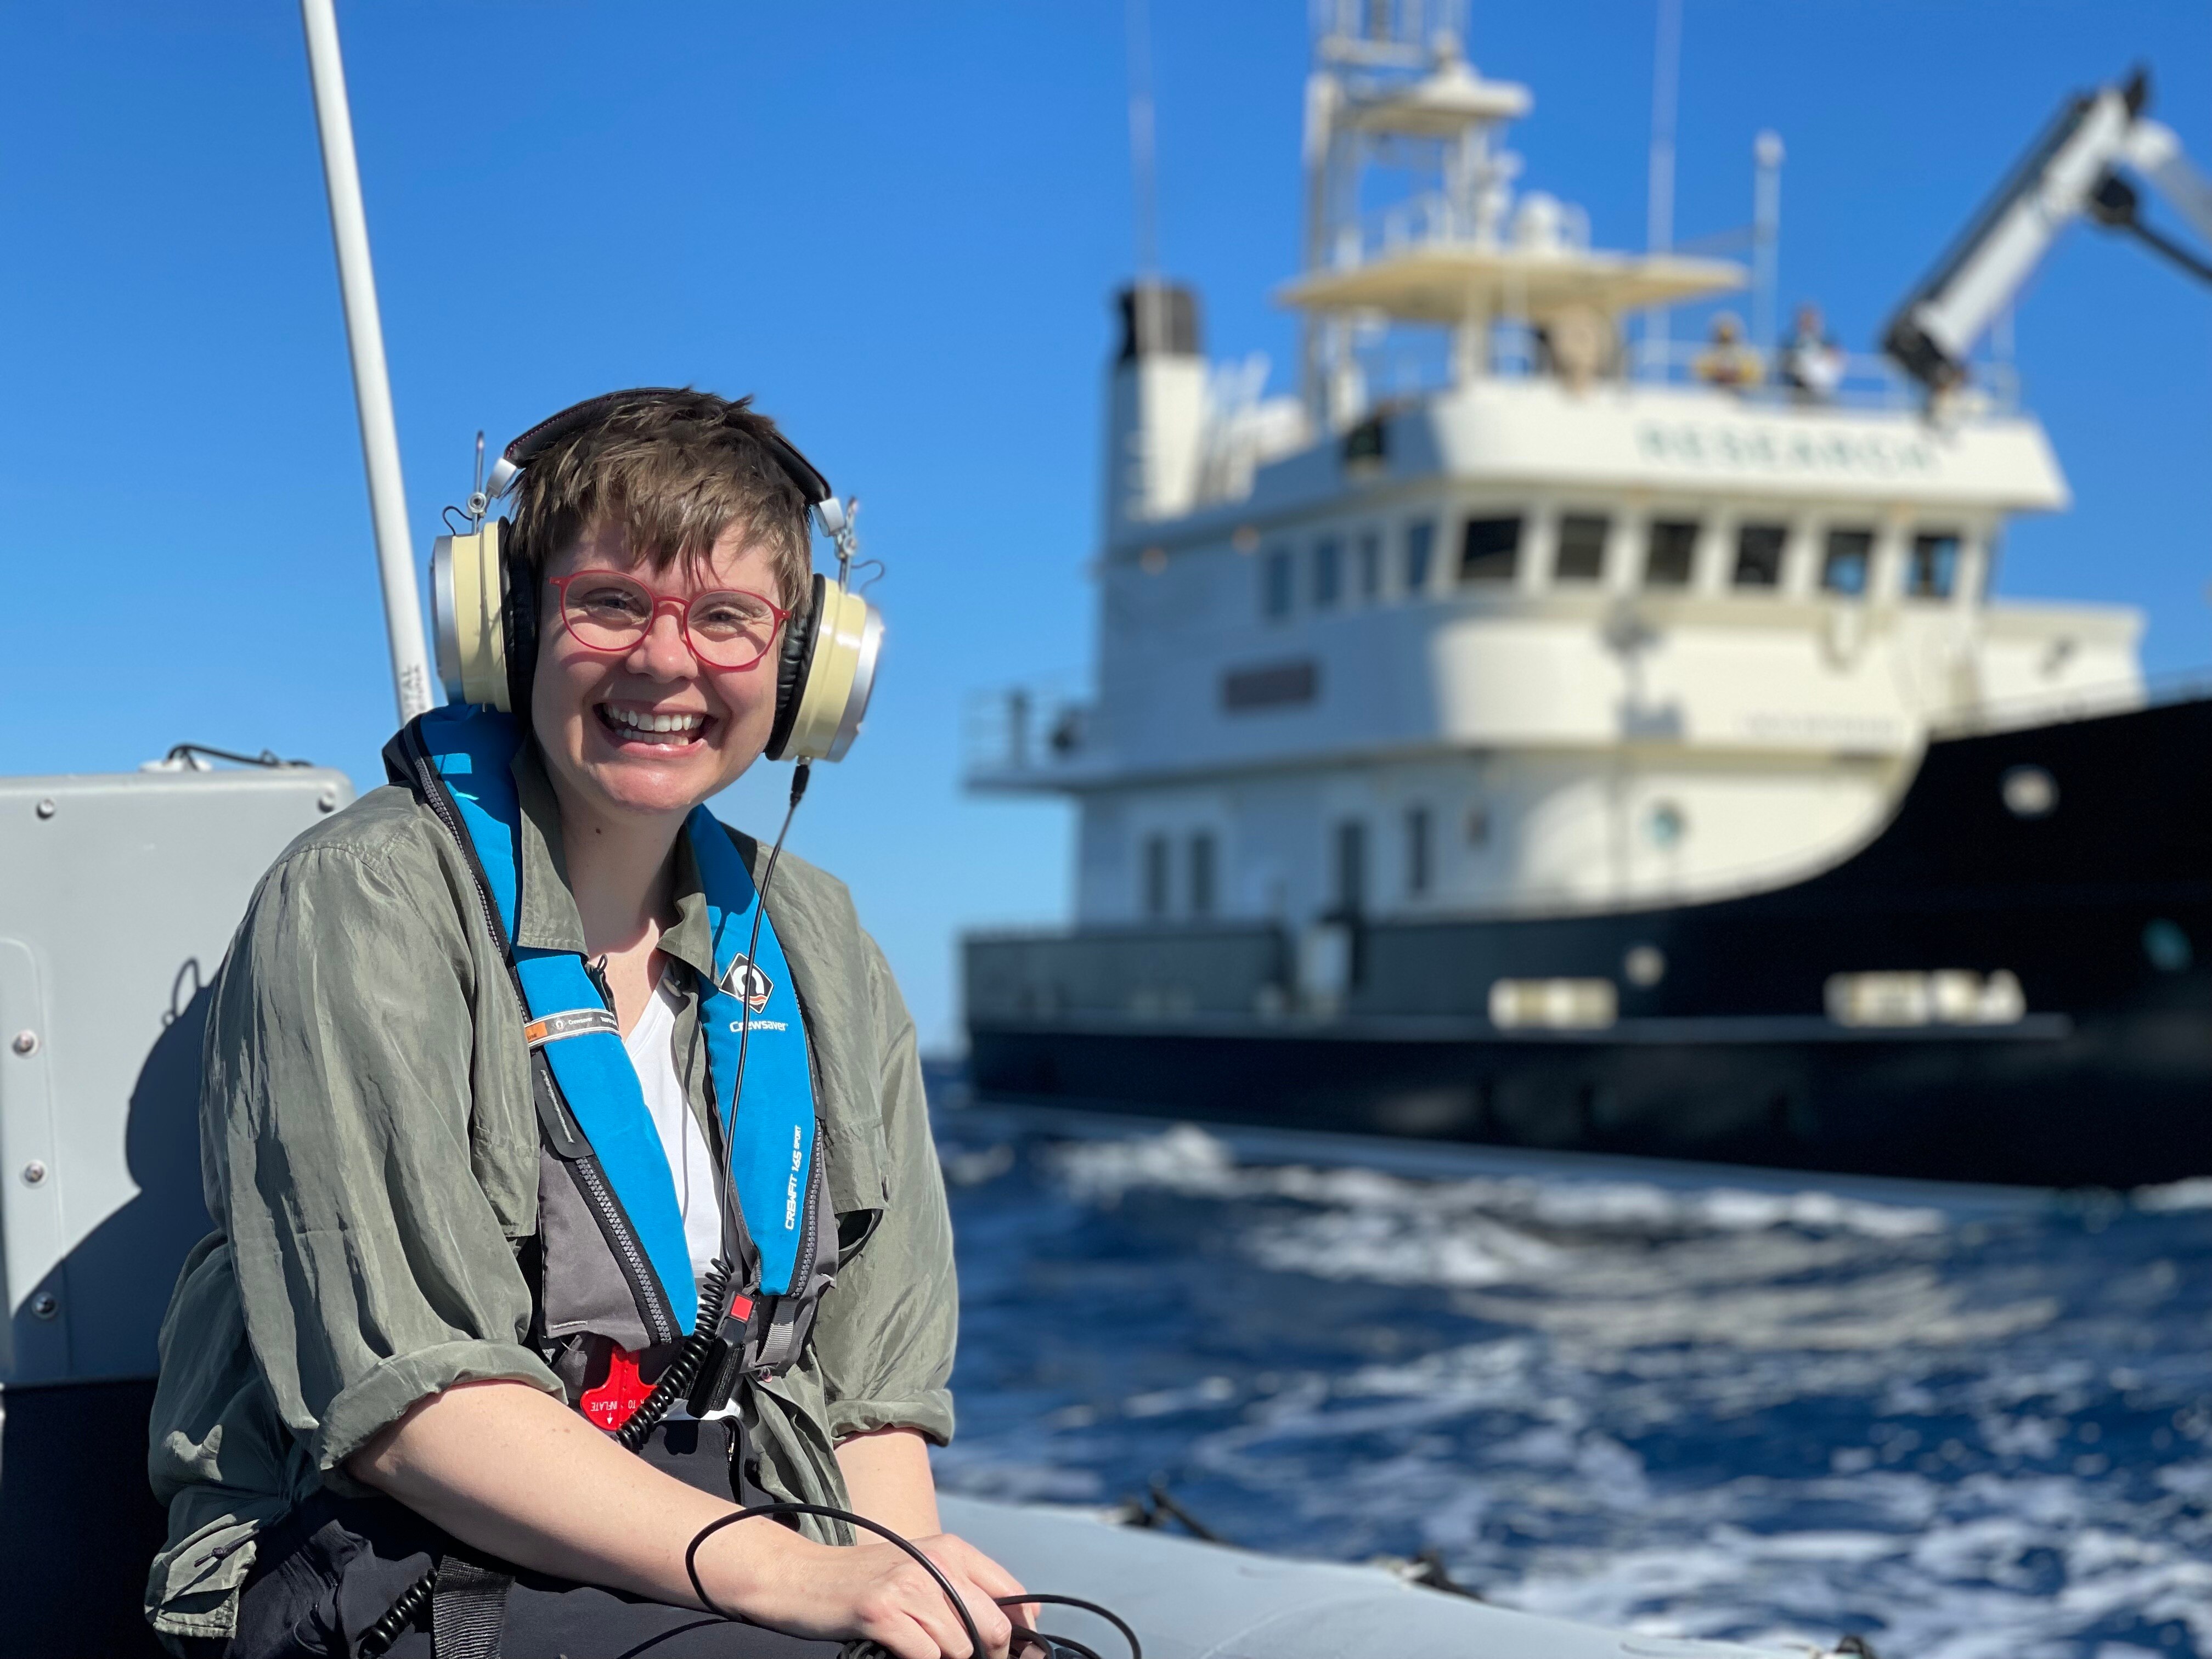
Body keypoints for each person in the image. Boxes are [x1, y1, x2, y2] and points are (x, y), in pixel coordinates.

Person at [145, 391, 1026, 1658]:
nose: (667, 663)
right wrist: (778, 1580)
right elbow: (408, 1403)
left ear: (801, 667)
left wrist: (896, 1585)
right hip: (386, 1545)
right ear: (512, 630)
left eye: (727, 620)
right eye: (611, 604)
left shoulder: (816, 935)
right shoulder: (366, 896)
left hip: (710, 1528)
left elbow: (867, 1389)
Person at [1778, 302, 1846, 402]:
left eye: (1811, 320)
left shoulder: (1828, 343)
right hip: (1798, 395)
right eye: (1805, 320)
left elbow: (1836, 364)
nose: (1808, 324)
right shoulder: (1791, 345)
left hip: (1823, 396)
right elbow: (1784, 367)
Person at [1691, 311, 1763, 390]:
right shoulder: (1707, 357)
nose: (1726, 340)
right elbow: (1698, 372)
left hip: (1741, 396)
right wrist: (1716, 371)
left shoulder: (1746, 357)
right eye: (1723, 338)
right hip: (1712, 394)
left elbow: (1755, 374)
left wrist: (1737, 373)